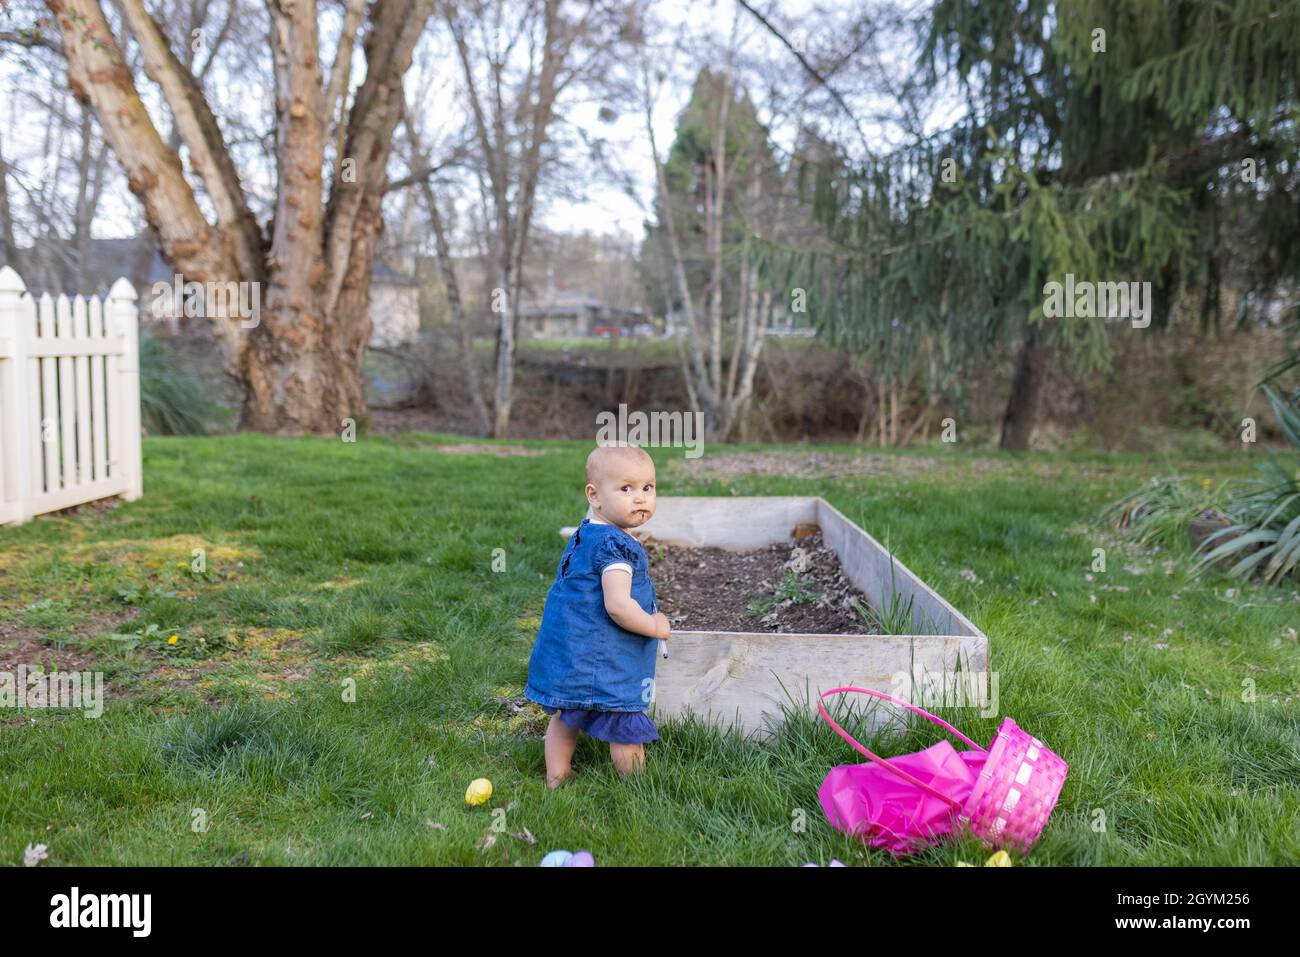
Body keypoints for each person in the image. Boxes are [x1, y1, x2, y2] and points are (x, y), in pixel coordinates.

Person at [524, 443, 671, 788]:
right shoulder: (615, 547)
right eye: (626, 488)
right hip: (605, 660)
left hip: (571, 652)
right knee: (624, 723)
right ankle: (637, 788)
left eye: (647, 488)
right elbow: (618, 606)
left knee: (566, 715)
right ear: (594, 495)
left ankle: (557, 776)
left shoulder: (585, 534)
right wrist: (654, 625)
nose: (640, 498)